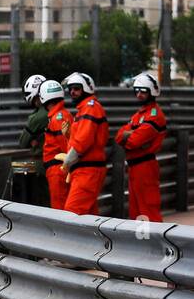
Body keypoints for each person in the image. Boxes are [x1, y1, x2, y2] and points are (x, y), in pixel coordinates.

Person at [115, 71, 166, 223]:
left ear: (152, 91)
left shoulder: (154, 115)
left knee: (148, 210)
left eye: (143, 91)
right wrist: (128, 135)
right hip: (134, 167)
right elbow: (119, 137)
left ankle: (156, 245)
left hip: (145, 167)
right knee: (136, 211)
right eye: (136, 91)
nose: (139, 94)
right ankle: (141, 244)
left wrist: (128, 135)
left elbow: (132, 142)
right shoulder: (139, 115)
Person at [60, 71, 108, 217]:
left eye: (76, 88)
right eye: (70, 89)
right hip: (84, 169)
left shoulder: (90, 107)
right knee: (89, 217)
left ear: (86, 88)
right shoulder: (84, 110)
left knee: (72, 214)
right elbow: (82, 137)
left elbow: (84, 140)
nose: (72, 92)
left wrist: (68, 161)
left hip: (87, 171)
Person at [37, 78, 73, 210]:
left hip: (58, 170)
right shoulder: (62, 114)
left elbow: (66, 144)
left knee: (60, 209)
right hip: (59, 169)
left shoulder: (58, 117)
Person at [15, 74, 49, 205]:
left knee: (42, 202)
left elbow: (22, 143)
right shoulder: (59, 111)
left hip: (42, 165)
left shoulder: (36, 117)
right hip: (61, 164)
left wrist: (34, 140)